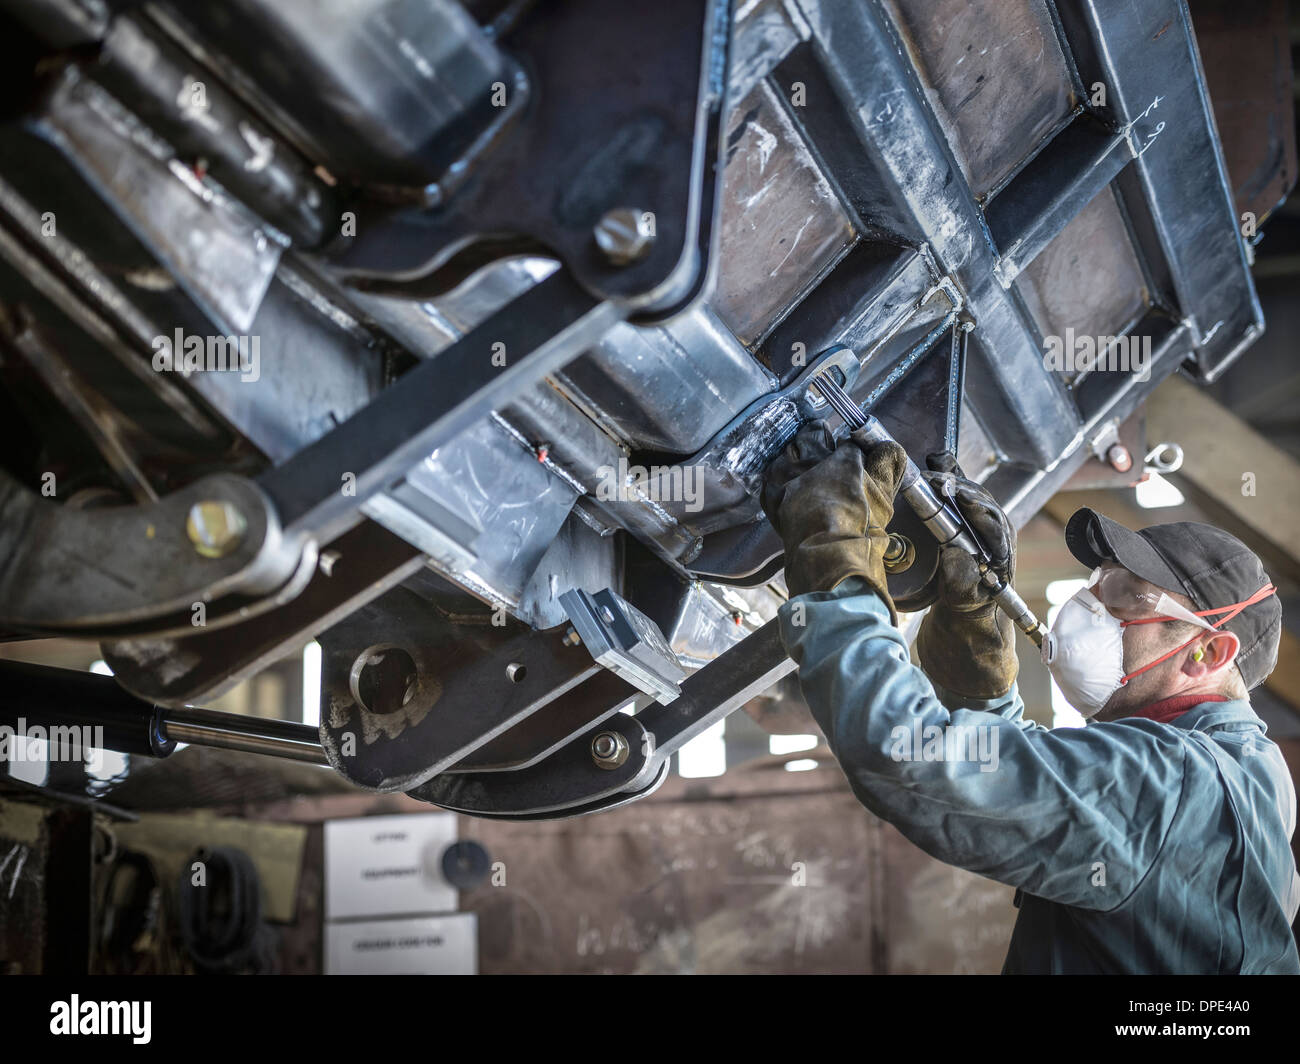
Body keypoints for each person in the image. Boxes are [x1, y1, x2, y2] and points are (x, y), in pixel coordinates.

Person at [762, 421, 1300, 973]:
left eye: (1128, 597)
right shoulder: (1254, 773)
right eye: (1098, 582)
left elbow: (907, 755)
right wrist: (971, 627)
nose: (1091, 607)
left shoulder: (1177, 782)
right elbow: (1026, 770)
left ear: (1208, 653)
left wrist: (833, 558)